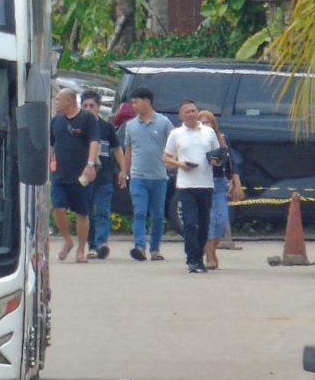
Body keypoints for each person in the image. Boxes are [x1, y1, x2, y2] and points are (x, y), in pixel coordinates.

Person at [164, 99, 220, 274]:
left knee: (204, 224)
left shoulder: (209, 132)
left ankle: (199, 256)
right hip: (186, 185)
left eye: (193, 110)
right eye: (187, 111)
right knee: (189, 223)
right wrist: (180, 164)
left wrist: (215, 160)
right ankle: (192, 259)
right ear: (181, 115)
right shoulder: (176, 134)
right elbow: (166, 157)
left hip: (206, 184)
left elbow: (217, 154)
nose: (191, 114)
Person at [122, 88, 173, 262]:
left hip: (159, 177)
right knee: (139, 212)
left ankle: (155, 249)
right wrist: (124, 171)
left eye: (136, 102)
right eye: (132, 102)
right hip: (138, 177)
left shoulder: (164, 122)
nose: (134, 106)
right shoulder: (131, 125)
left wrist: (174, 162)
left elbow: (173, 145)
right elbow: (128, 150)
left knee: (158, 215)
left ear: (147, 101)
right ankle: (139, 246)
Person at [49, 88, 99, 263]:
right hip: (59, 174)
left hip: (81, 174)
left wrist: (90, 164)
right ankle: (67, 240)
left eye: (58, 100)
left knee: (82, 212)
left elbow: (94, 141)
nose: (56, 102)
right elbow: (51, 145)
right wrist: (47, 164)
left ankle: (80, 250)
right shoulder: (56, 121)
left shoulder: (87, 118)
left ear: (69, 101)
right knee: (58, 207)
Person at [81, 90, 126, 259]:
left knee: (102, 210)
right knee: (87, 212)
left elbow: (117, 149)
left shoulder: (106, 127)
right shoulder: (79, 127)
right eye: (85, 105)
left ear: (98, 107)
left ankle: (101, 243)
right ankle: (92, 246)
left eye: (91, 105)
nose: (88, 109)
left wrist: (123, 170)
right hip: (85, 178)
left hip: (104, 177)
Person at [197, 109, 243, 270]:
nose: (205, 125)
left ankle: (211, 249)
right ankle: (209, 255)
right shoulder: (196, 140)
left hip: (219, 183)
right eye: (202, 122)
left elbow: (231, 164)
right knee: (209, 220)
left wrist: (237, 184)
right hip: (202, 182)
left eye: (208, 122)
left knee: (222, 220)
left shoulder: (222, 138)